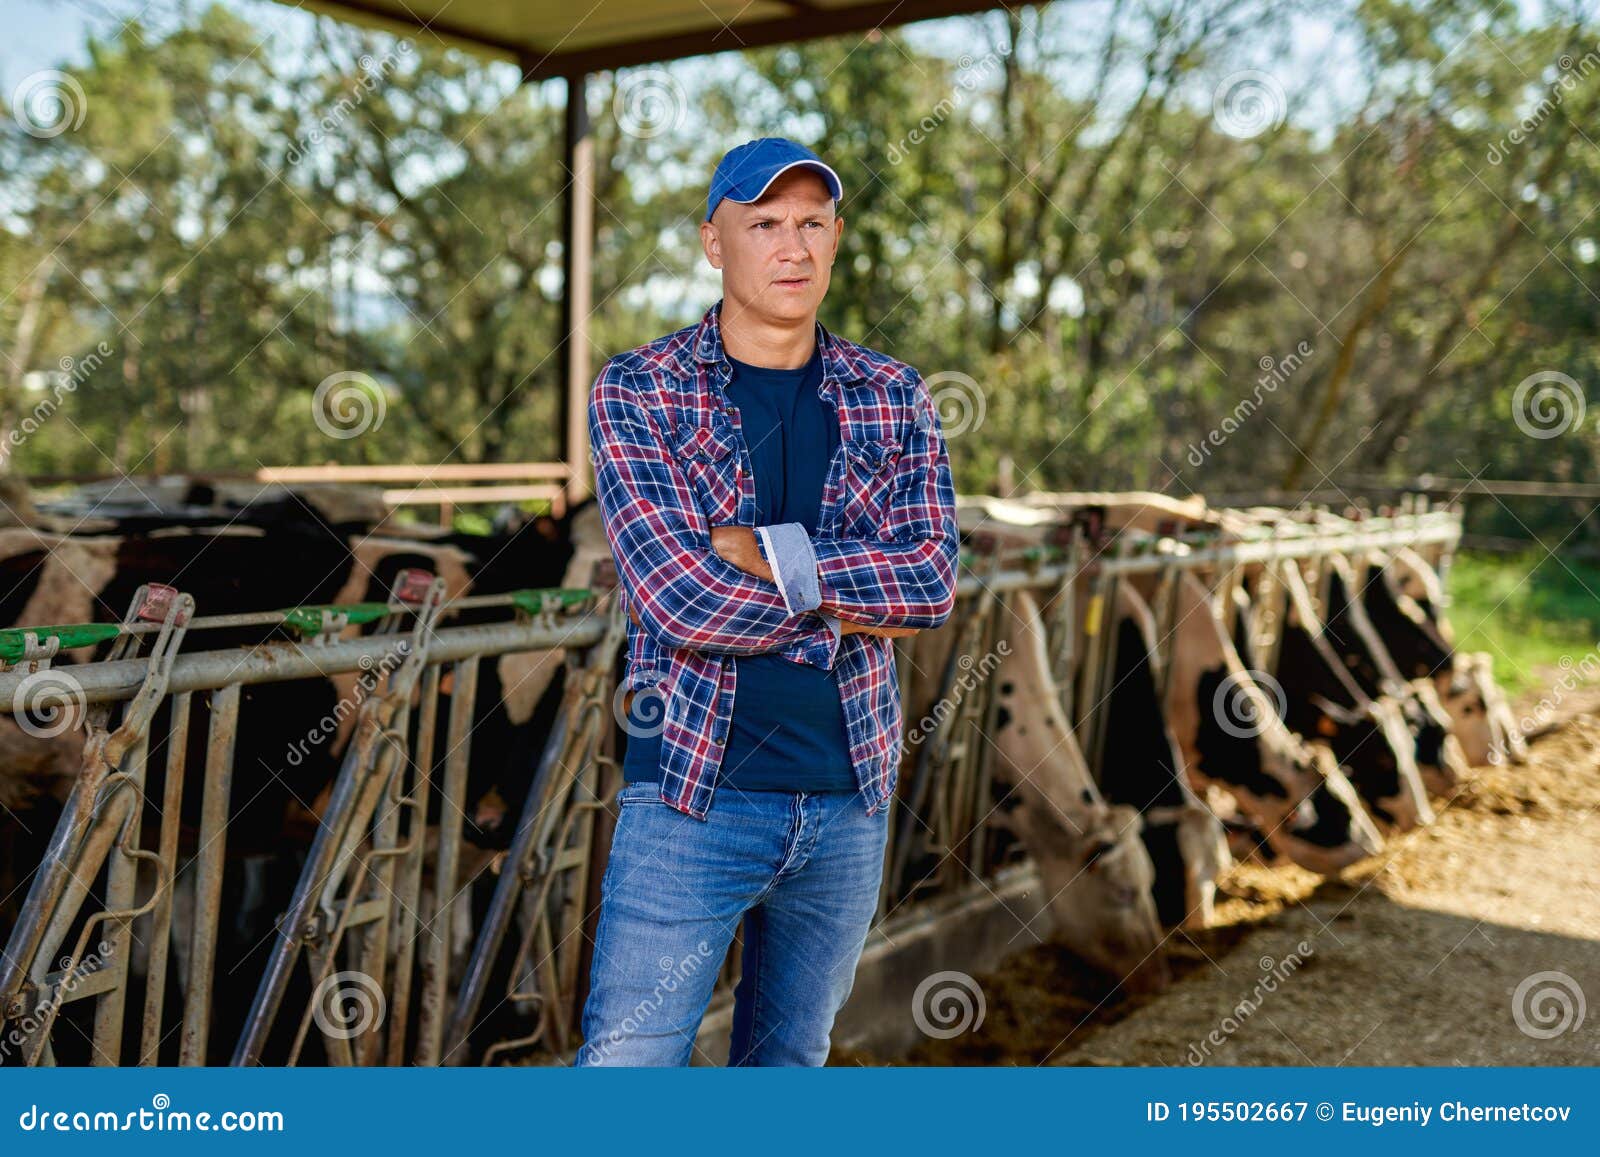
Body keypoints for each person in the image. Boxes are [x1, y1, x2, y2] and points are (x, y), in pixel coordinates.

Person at [576, 136, 959, 1066]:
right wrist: (850, 594)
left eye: (812, 224)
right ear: (714, 243)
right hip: (692, 798)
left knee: (786, 1075)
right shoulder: (640, 389)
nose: (792, 248)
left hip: (849, 798)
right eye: (764, 225)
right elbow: (681, 601)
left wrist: (774, 555)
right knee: (629, 1070)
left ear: (835, 240)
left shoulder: (893, 393)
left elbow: (932, 582)